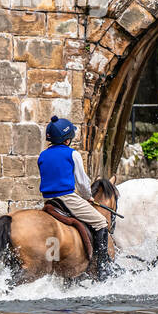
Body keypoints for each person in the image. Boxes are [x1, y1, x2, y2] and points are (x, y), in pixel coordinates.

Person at [38, 116, 112, 279]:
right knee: (101, 222)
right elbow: (82, 182)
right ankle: (103, 267)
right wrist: (88, 197)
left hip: (49, 201)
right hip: (67, 198)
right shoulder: (72, 154)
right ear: (67, 139)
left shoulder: (42, 156)